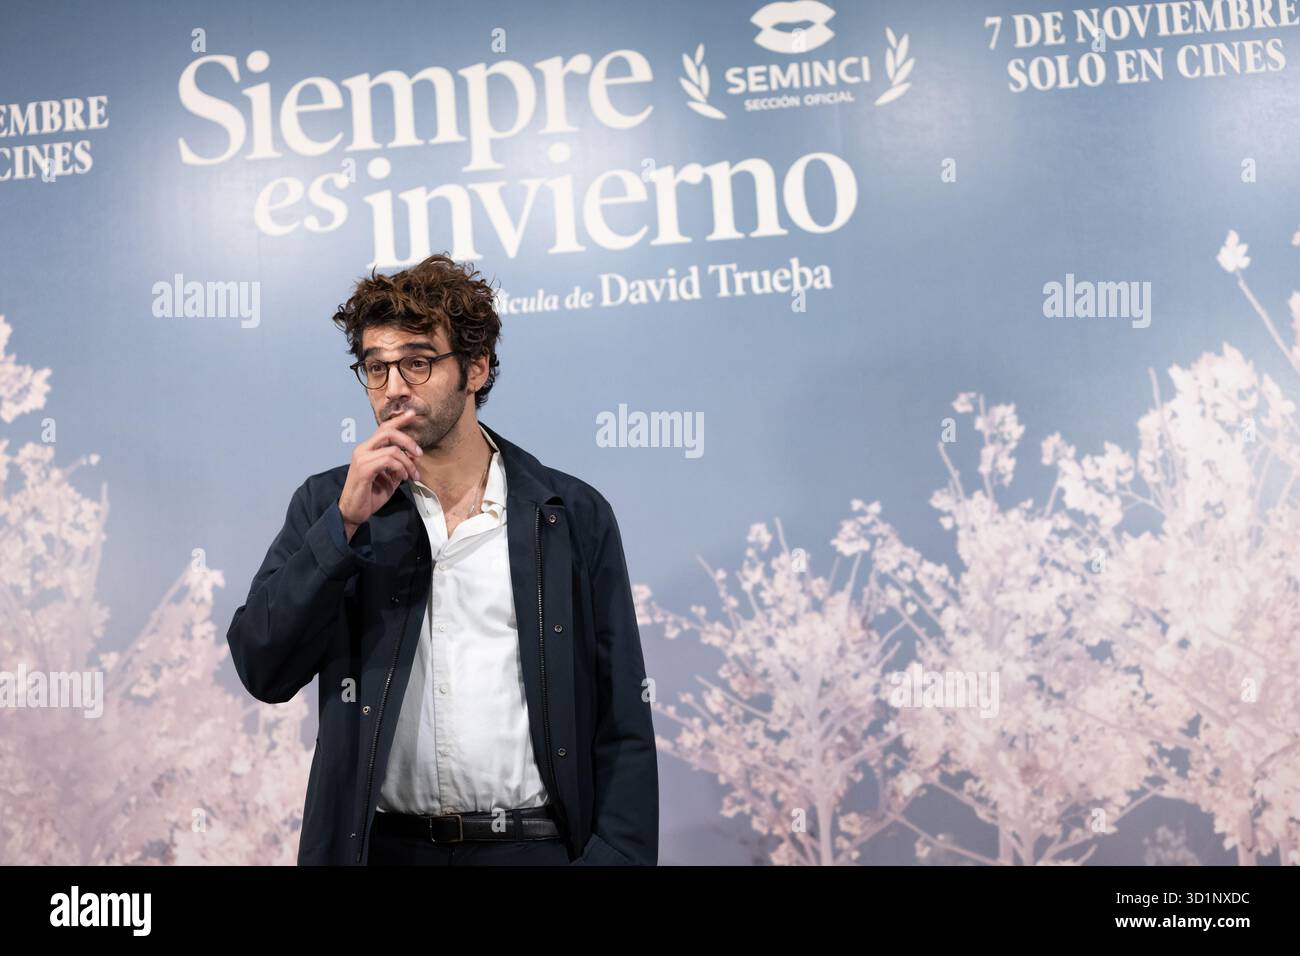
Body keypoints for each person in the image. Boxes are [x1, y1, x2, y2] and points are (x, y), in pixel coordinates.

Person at [225, 253, 658, 865]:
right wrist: (343, 526)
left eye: (418, 363)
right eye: (376, 368)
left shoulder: (569, 514)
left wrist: (615, 857)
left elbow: (621, 717)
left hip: (531, 848)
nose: (394, 387)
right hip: (386, 851)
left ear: (475, 368)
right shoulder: (331, 504)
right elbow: (262, 666)